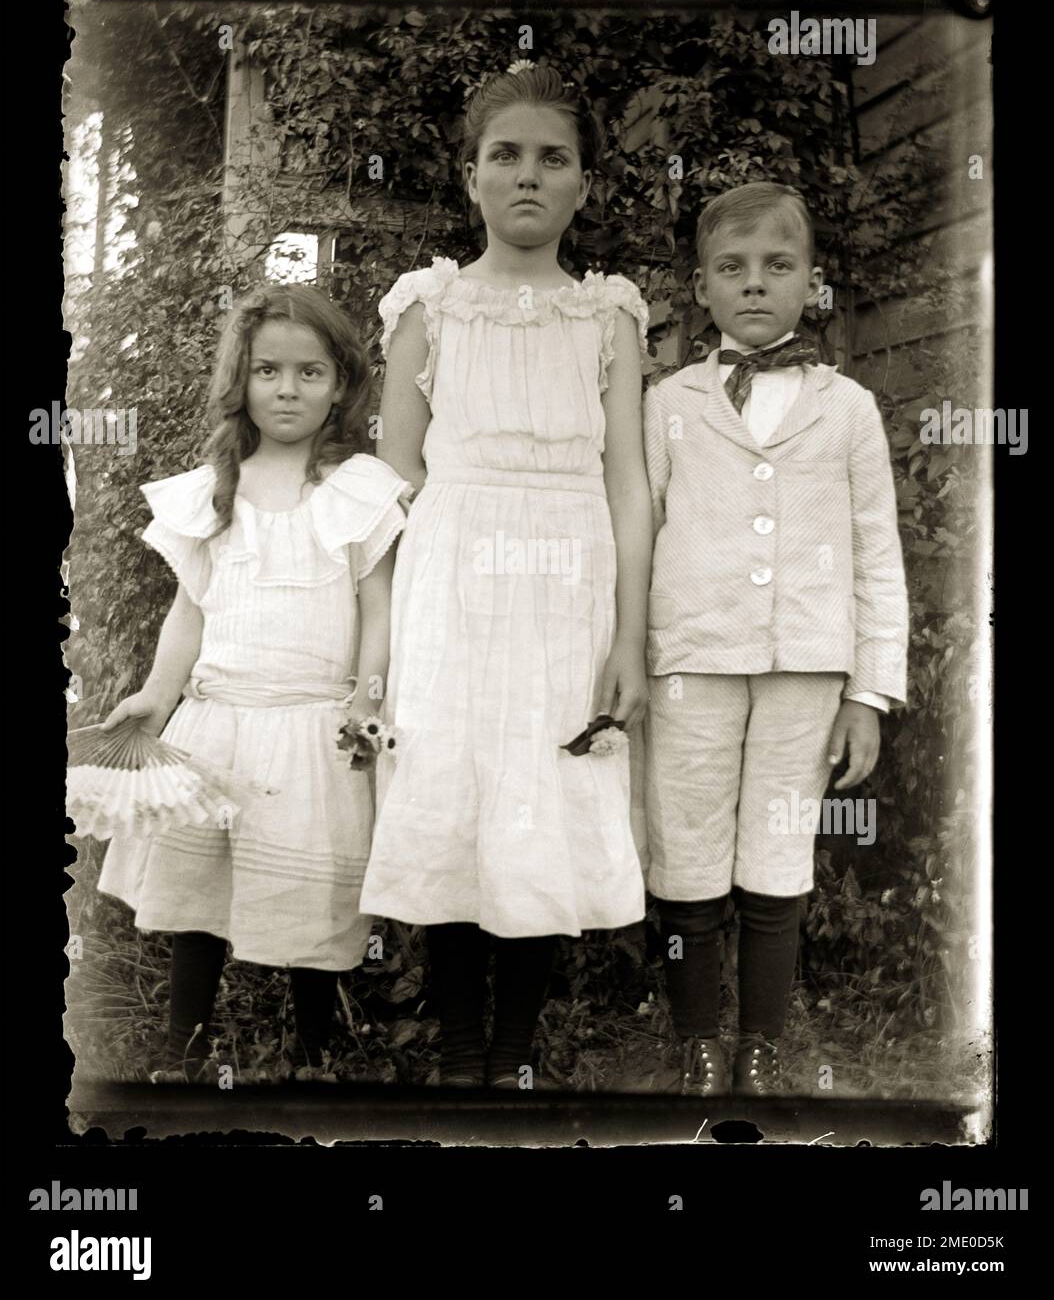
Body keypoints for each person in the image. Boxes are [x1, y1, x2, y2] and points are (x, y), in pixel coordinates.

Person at [358, 62, 652, 1089]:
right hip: (452, 576)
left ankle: (517, 1051)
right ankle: (459, 1052)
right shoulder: (427, 308)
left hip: (568, 579)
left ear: (583, 184)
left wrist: (627, 641)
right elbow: (391, 484)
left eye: (552, 158)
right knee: (451, 785)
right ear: (470, 176)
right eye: (505, 156)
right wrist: (376, 641)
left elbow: (628, 486)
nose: (528, 176)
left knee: (544, 792)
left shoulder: (606, 315)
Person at [96, 284, 412, 1081]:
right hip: (219, 723)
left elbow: (378, 612)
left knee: (314, 890)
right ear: (242, 380)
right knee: (199, 888)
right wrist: (156, 696)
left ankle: (313, 1055)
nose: (288, 389)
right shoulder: (213, 491)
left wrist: (366, 700)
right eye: (269, 371)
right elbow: (189, 613)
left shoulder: (356, 491)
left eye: (310, 373)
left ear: (340, 383)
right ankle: (183, 1052)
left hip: (314, 724)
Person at [642, 181, 909, 1096]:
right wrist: (633, 665)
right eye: (732, 268)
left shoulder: (849, 408)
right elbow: (639, 534)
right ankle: (694, 1038)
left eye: (778, 266)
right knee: (687, 845)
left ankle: (759, 1040)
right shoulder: (668, 401)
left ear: (813, 284)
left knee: (778, 848)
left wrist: (869, 693)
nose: (755, 285)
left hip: (807, 669)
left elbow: (879, 554)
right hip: (691, 666)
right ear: (702, 289)